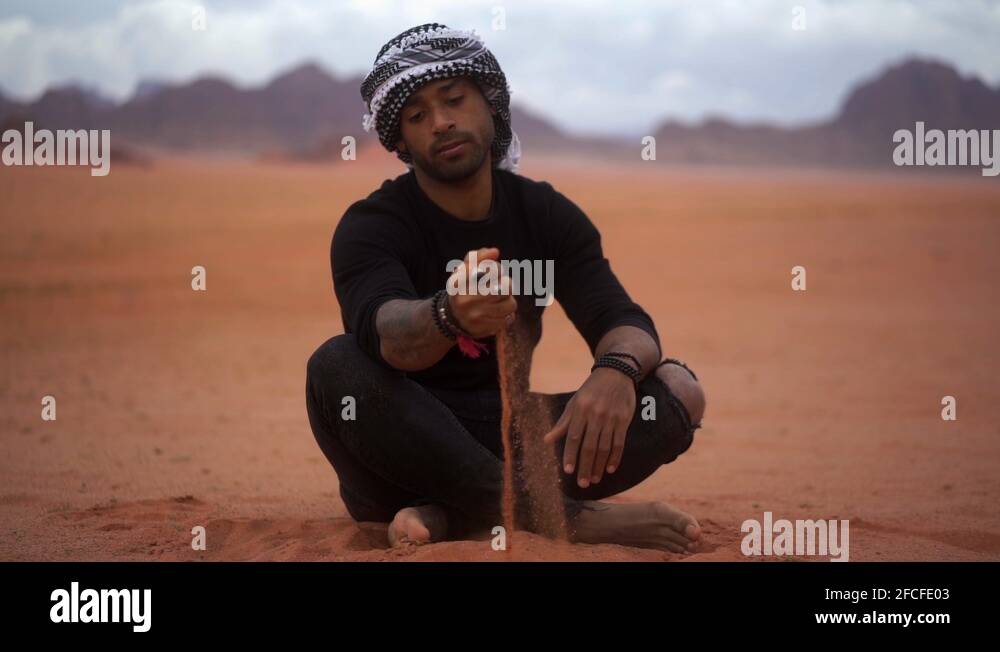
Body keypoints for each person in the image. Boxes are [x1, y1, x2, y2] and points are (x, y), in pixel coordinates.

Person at [306, 23, 706, 552]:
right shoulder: (372, 225)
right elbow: (389, 336)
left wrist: (617, 370)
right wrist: (448, 315)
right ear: (399, 139)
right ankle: (567, 520)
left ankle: (453, 514)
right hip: (395, 447)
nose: (442, 122)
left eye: (454, 100)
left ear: (491, 105)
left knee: (678, 389)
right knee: (334, 366)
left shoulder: (546, 215)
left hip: (511, 436)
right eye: (417, 115)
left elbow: (622, 320)